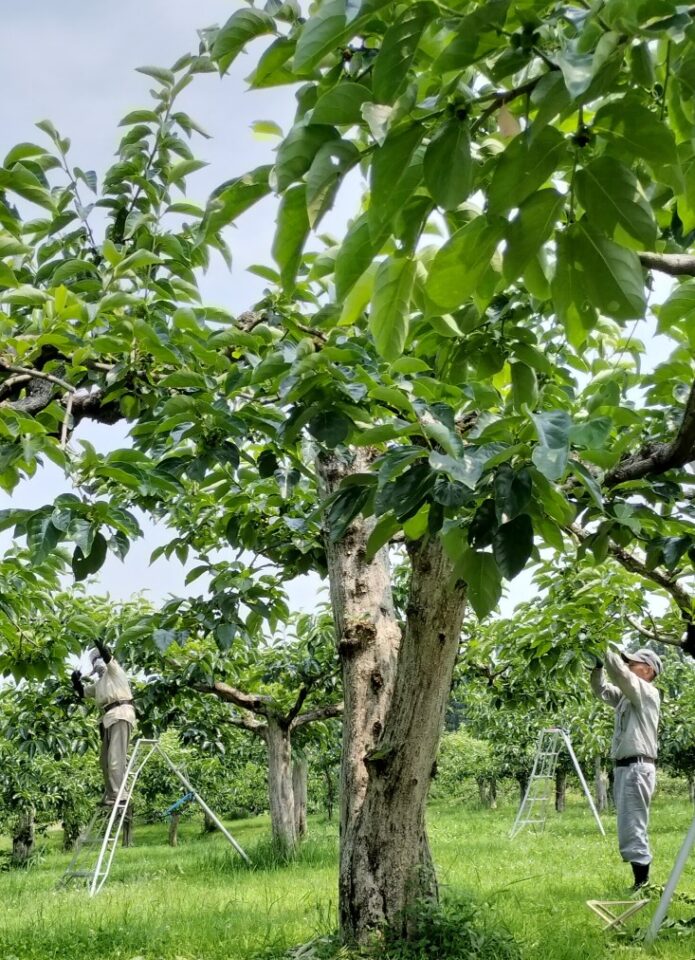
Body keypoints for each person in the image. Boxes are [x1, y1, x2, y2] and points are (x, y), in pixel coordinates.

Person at [590, 647, 662, 890]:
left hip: (637, 767)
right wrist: (598, 667)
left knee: (633, 824)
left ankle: (642, 884)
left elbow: (621, 676)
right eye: (628, 662)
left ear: (648, 670)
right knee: (627, 824)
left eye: (634, 663)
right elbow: (601, 690)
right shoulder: (627, 697)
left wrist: (604, 646)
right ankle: (640, 881)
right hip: (626, 768)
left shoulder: (647, 692)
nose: (629, 665)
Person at [71, 638, 136, 806]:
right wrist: (76, 681)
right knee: (105, 760)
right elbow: (82, 693)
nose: (98, 664)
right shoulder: (99, 683)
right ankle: (112, 793)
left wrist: (98, 643)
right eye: (95, 661)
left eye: (98, 660)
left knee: (115, 758)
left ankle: (119, 794)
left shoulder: (115, 672)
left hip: (121, 713)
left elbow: (107, 658)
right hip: (108, 719)